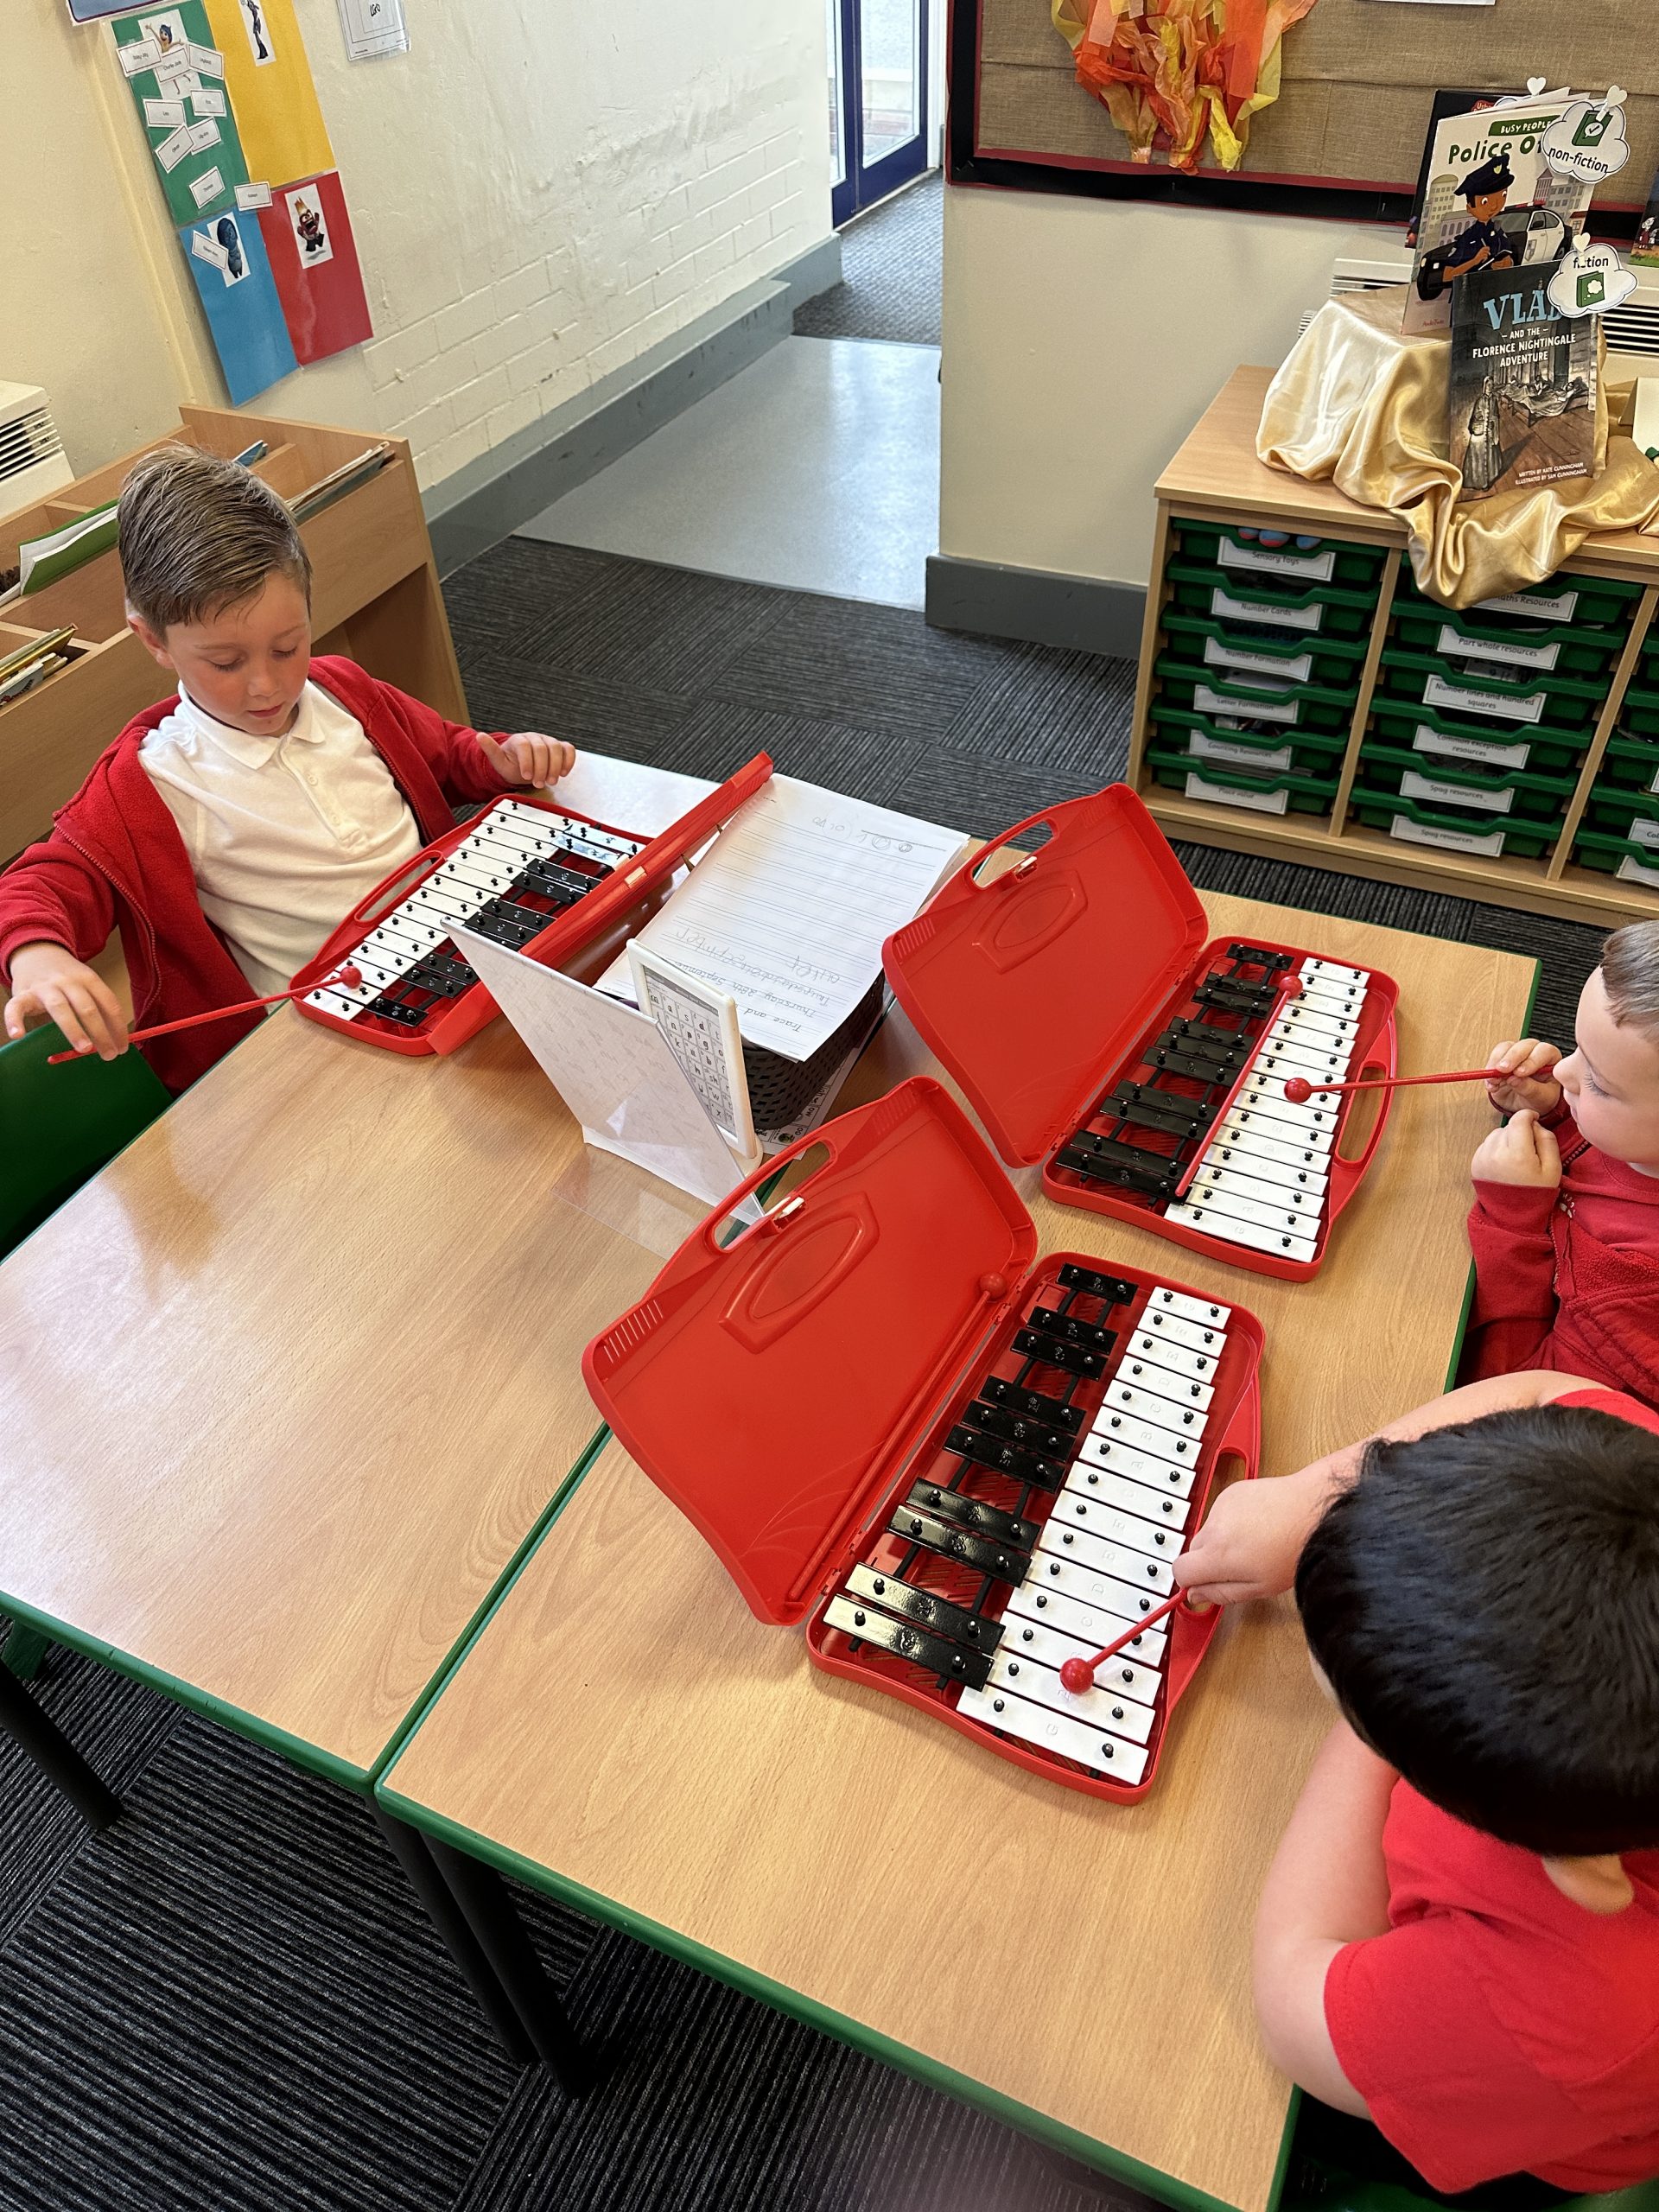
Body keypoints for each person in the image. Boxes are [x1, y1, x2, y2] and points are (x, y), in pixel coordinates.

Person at [0, 446, 573, 1090]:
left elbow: (447, 754)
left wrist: (501, 760)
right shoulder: (151, 782)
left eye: (287, 647)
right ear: (154, 640)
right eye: (226, 663)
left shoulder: (345, 692)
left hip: (453, 959)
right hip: (325, 1046)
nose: (266, 685)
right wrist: (39, 955)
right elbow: (41, 883)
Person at [1251, 1379, 1659, 2196]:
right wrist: (1309, 1506)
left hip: (1523, 2109)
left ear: (1582, 1871)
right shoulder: (1629, 1489)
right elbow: (1554, 1393)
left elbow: (1291, 1997)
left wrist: (1377, 1698)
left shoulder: (1570, 2012)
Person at [1463, 925, 1659, 1406]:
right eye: (1577, 1050)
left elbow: (1513, 1400)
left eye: (1599, 1082)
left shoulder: (1637, 1289)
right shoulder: (1640, 1138)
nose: (1563, 1070)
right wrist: (1554, 1109)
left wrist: (1513, 1218)